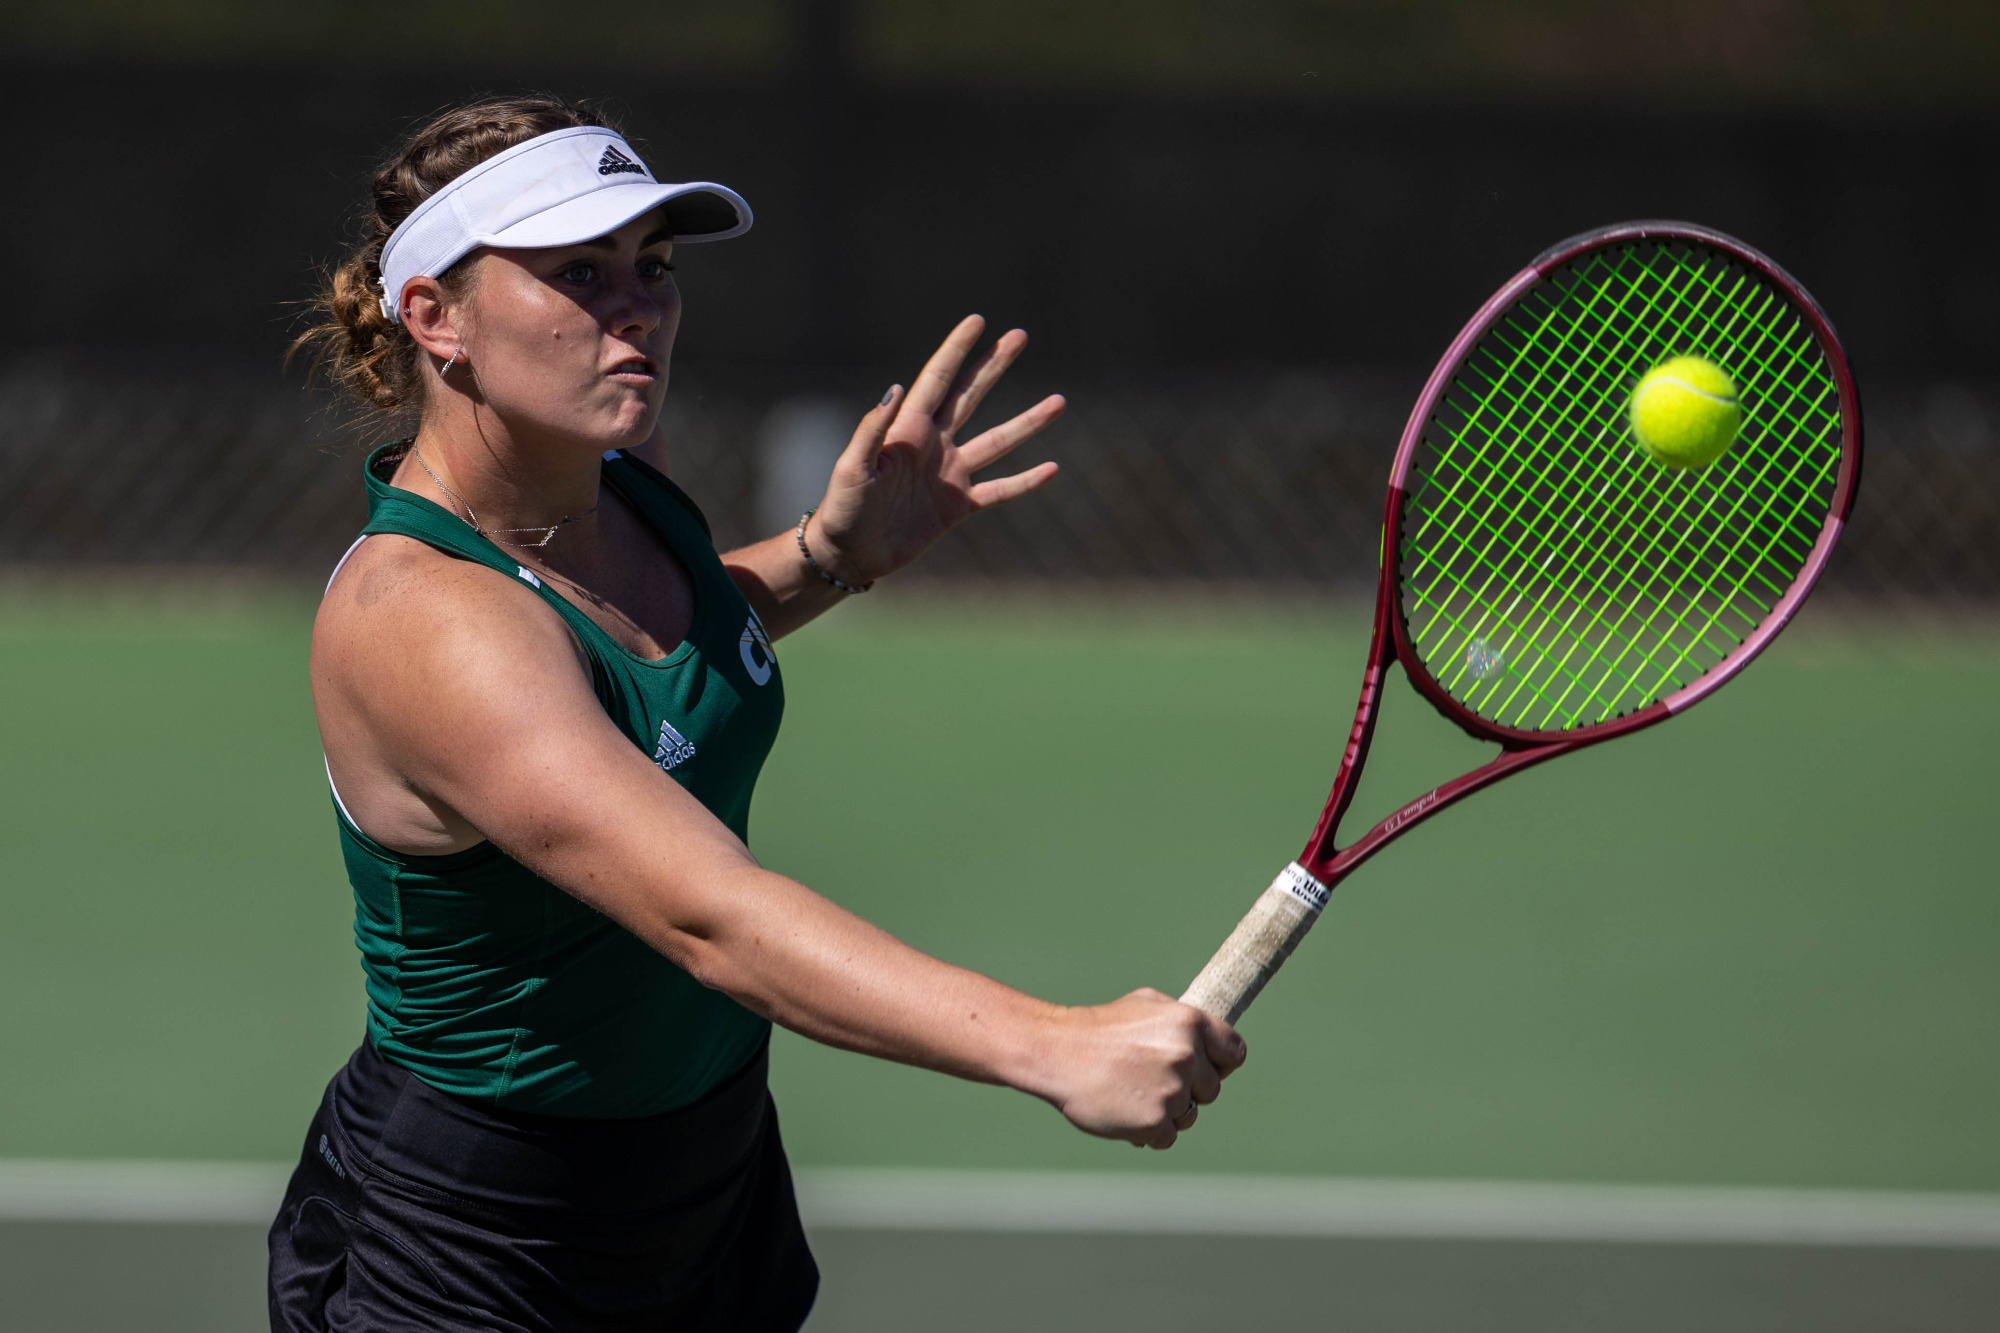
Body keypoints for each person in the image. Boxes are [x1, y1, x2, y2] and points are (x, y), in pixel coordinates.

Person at [269, 95, 1245, 1333]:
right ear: (433, 318)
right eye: (578, 273)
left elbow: (640, 665)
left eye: (653, 266)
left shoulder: (620, 488)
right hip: (488, 1238)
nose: (637, 308)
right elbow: (705, 911)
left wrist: (822, 557)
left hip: (707, 1173)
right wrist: (1047, 1044)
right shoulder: (426, 618)